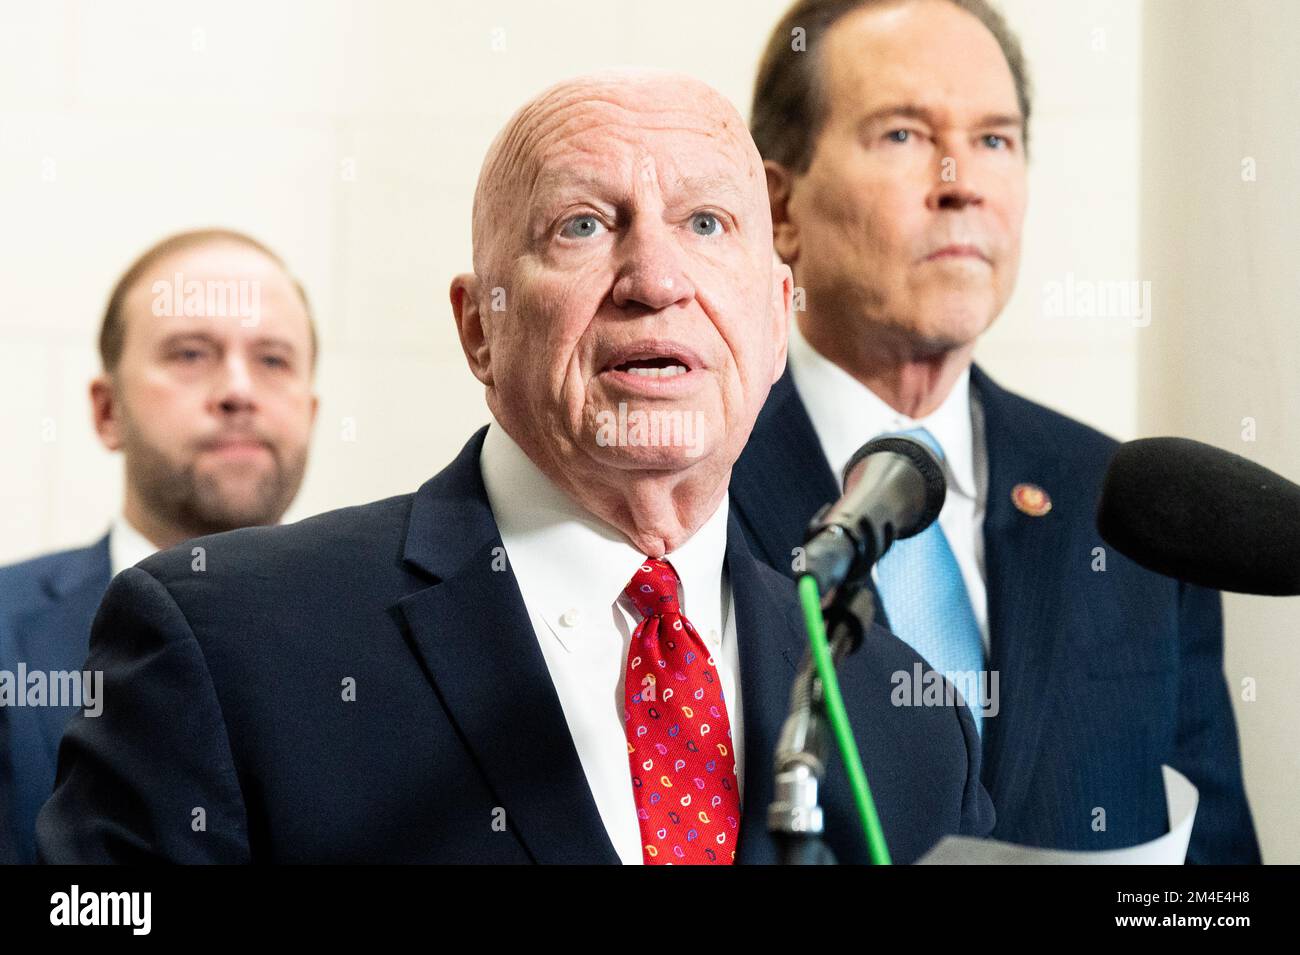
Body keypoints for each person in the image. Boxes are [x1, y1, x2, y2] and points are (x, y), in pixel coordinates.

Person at [37, 71, 992, 864]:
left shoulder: (905, 725)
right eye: (582, 225)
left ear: (777, 315)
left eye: (707, 224)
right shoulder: (223, 642)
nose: (656, 279)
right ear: (478, 327)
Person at [730, 0, 1259, 861]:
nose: (961, 180)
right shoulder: (686, 492)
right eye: (903, 135)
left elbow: (1219, 871)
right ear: (778, 207)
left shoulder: (1128, 510)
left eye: (995, 139)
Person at [0, 229, 319, 864]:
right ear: (106, 410)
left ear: (311, 410)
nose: (238, 390)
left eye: (273, 360)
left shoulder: (383, 644)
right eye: (191, 354)